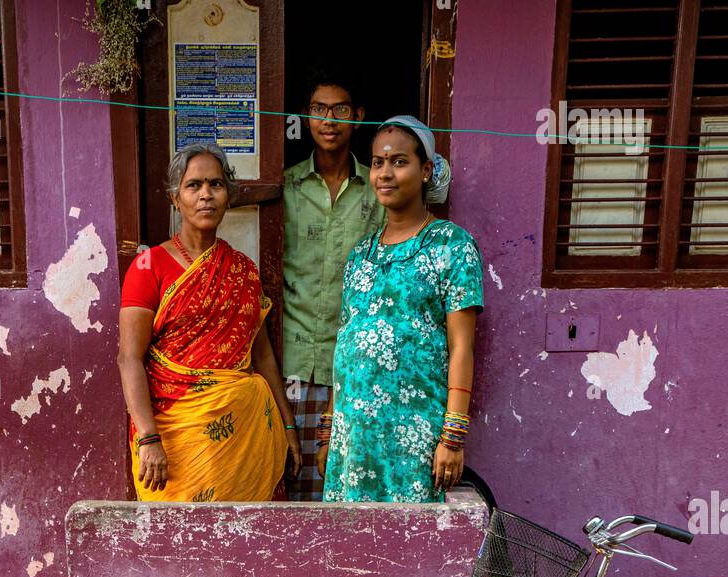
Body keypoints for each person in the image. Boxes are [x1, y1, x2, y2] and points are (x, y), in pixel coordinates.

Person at [118, 142, 300, 502]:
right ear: (175, 198)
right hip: (175, 439)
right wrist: (149, 438)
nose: (206, 195)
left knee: (246, 547)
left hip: (245, 434)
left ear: (228, 196)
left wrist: (287, 424)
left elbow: (262, 357)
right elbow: (129, 358)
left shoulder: (243, 271)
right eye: (193, 185)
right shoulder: (148, 267)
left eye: (216, 185)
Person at [320, 115, 483, 503]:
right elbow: (345, 342)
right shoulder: (361, 254)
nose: (385, 174)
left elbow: (462, 347)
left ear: (426, 170)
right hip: (353, 440)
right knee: (353, 554)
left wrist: (453, 437)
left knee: (413, 552)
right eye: (377, 162)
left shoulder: (451, 245)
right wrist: (330, 431)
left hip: (415, 437)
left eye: (399, 162)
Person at [282, 74, 383, 500]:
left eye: (340, 110)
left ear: (357, 117)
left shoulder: (378, 193)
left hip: (356, 366)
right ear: (306, 117)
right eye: (319, 109)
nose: (329, 119)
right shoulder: (284, 187)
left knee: (344, 493)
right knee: (288, 484)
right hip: (292, 360)